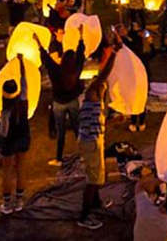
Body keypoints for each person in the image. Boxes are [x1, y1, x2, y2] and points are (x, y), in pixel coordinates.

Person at [77, 35, 119, 230]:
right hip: (90, 142)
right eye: (101, 86)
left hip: (94, 140)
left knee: (98, 175)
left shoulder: (95, 101)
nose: (103, 88)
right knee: (93, 179)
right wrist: (115, 53)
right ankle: (84, 216)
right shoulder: (91, 93)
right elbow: (104, 75)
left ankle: (96, 202)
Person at [36, 32, 85, 166]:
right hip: (73, 102)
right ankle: (83, 154)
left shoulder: (55, 70)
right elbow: (81, 56)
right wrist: (80, 37)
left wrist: (38, 43)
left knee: (61, 130)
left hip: (58, 103)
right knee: (77, 127)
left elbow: (46, 59)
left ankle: (59, 158)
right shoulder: (76, 70)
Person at [0, 54, 31, 214]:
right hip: (24, 138)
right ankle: (19, 201)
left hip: (10, 142)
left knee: (7, 172)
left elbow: (3, 133)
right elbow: (24, 80)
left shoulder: (5, 112)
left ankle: (7, 203)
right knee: (21, 169)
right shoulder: (23, 100)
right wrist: (21, 62)